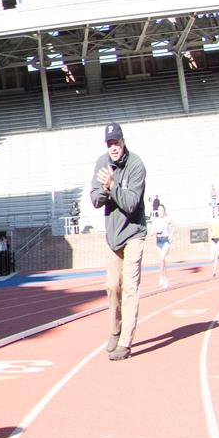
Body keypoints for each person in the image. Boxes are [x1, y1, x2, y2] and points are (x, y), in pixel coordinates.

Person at [90, 122, 147, 361]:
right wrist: (105, 189)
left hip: (134, 233)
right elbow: (94, 199)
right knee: (112, 286)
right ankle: (115, 329)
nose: (113, 147)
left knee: (130, 288)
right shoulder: (102, 163)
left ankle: (125, 342)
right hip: (113, 237)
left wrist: (112, 185)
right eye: (109, 143)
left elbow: (132, 204)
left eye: (116, 142)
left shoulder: (136, 165)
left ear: (123, 141)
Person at [151, 197, 172, 290]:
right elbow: (151, 233)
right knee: (162, 261)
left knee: (162, 258)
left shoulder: (167, 219)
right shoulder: (155, 220)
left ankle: (161, 277)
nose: (160, 212)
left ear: (164, 211)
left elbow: (175, 226)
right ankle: (166, 279)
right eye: (159, 210)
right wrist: (156, 231)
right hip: (158, 241)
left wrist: (171, 235)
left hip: (166, 240)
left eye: (162, 210)